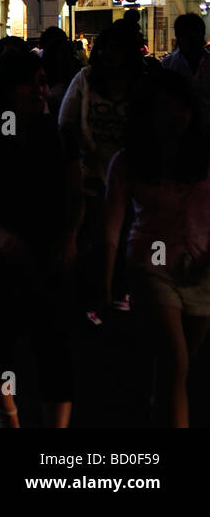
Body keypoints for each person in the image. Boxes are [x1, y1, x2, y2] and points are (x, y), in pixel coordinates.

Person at [0, 50, 81, 428]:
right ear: (6, 89)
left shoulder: (60, 136)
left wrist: (71, 236)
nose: (40, 91)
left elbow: (76, 195)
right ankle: (7, 414)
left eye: (43, 82)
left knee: (56, 352)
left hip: (49, 252)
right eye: (30, 82)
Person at [103, 70, 210, 427]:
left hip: (202, 266)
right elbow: (111, 229)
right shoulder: (128, 161)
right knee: (176, 361)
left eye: (180, 109)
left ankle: (156, 408)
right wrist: (105, 281)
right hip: (150, 263)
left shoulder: (203, 157)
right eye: (162, 110)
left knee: (177, 365)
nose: (173, 118)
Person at [59, 21, 146, 323]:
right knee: (93, 237)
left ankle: (118, 295)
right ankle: (92, 298)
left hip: (131, 178)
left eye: (118, 48)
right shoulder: (85, 79)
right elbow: (66, 124)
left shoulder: (141, 85)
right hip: (91, 175)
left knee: (125, 240)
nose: (111, 54)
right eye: (106, 47)